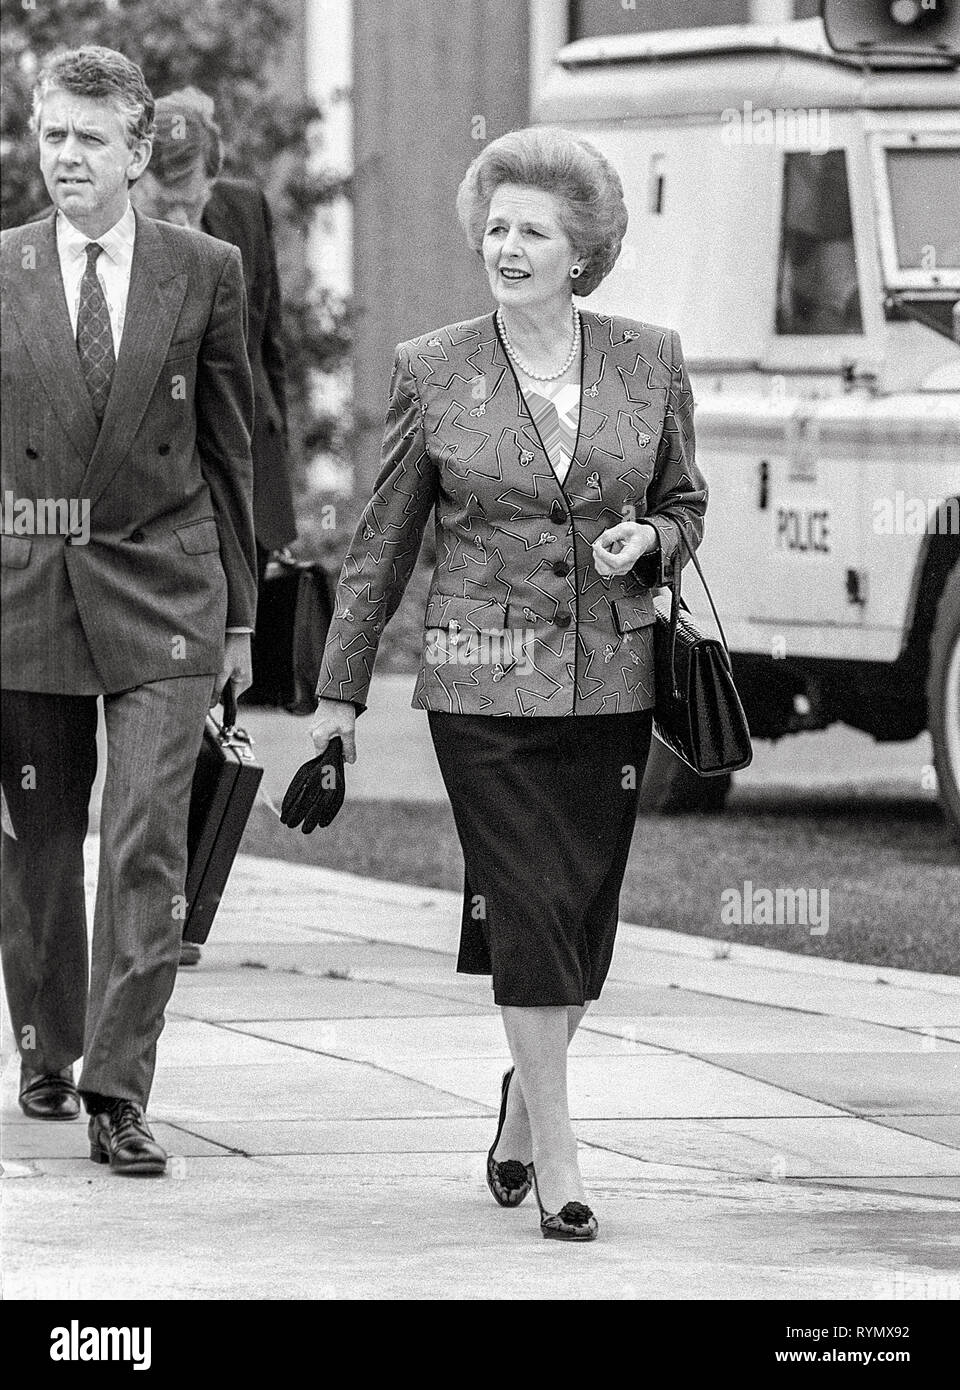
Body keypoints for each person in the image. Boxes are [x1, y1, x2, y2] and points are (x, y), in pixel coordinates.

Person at [310, 127, 708, 1240]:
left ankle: (522, 1108)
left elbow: (685, 502)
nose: (510, 246)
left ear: (582, 252)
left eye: (534, 230)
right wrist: (339, 695)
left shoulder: (649, 357)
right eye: (496, 228)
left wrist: (655, 547)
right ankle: (566, 1161)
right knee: (528, 906)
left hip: (613, 679)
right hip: (480, 685)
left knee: (582, 920)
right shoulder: (433, 366)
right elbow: (382, 542)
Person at [0, 47, 256, 1174]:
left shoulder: (205, 269)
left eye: (90, 139)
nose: (66, 156)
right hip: (30, 580)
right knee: (42, 849)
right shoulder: (0, 268)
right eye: (52, 134)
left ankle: (118, 1087)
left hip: (167, 582)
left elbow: (230, 447)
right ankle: (50, 1047)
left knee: (147, 843)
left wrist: (240, 618)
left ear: (138, 152)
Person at [130, 87, 297, 966]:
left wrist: (278, 502)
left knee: (216, 699)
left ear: (215, 170)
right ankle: (161, 901)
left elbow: (270, 351)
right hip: (156, 486)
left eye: (189, 184)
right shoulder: (119, 237)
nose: (179, 201)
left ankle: (188, 897)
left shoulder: (245, 214)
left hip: (237, 475)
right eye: (163, 186)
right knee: (173, 695)